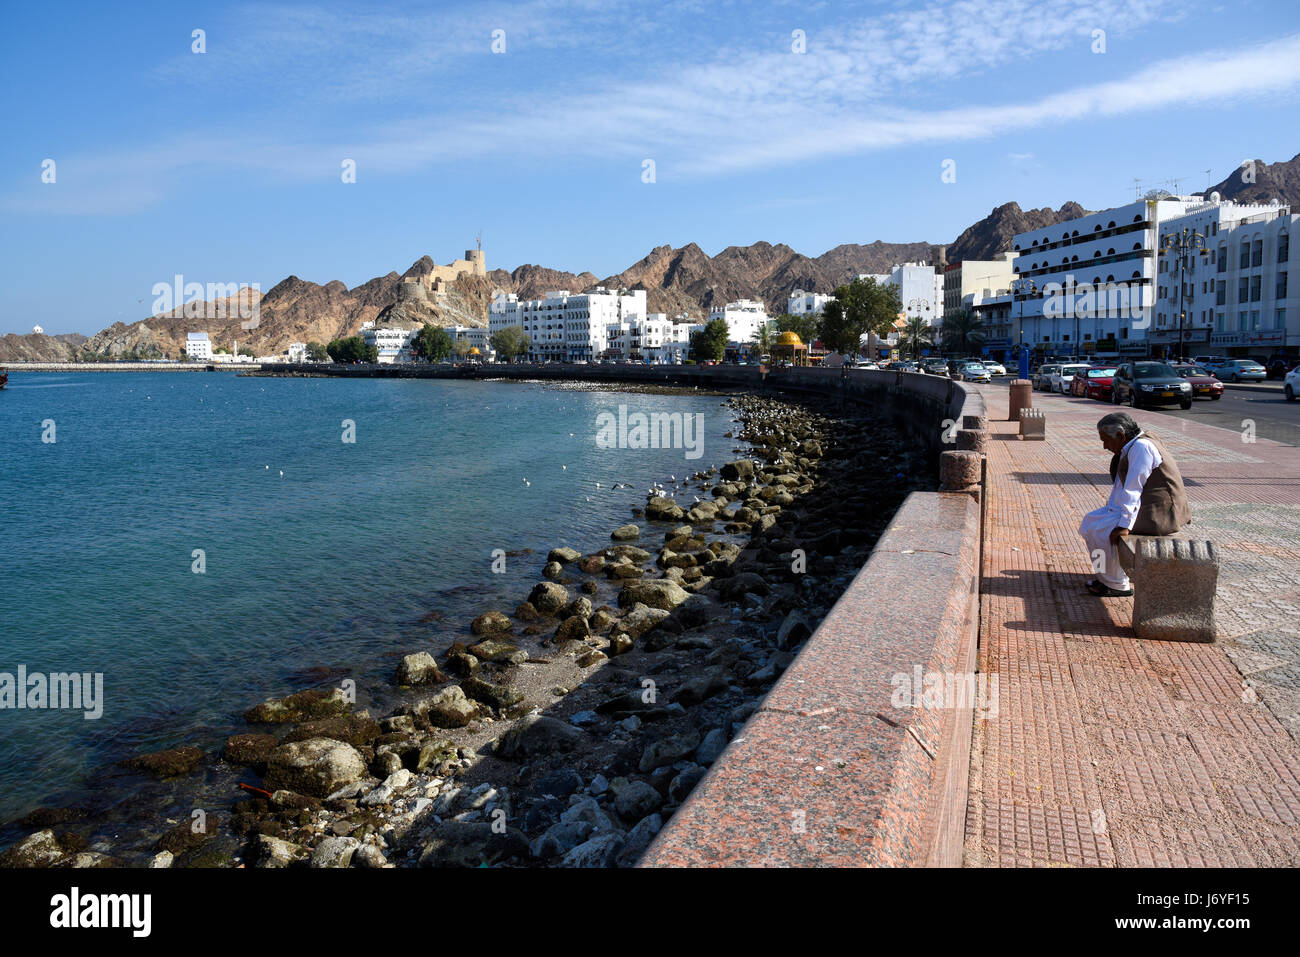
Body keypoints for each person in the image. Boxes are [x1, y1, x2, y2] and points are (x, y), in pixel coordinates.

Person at [1079, 412, 1191, 597]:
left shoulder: (1142, 447)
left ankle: (1116, 584)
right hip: (1148, 508)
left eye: (1106, 440)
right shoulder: (1134, 444)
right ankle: (1104, 576)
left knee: (1101, 530)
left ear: (1121, 435)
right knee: (1090, 523)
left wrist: (1124, 525)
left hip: (1161, 514)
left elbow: (1134, 489)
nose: (1105, 446)